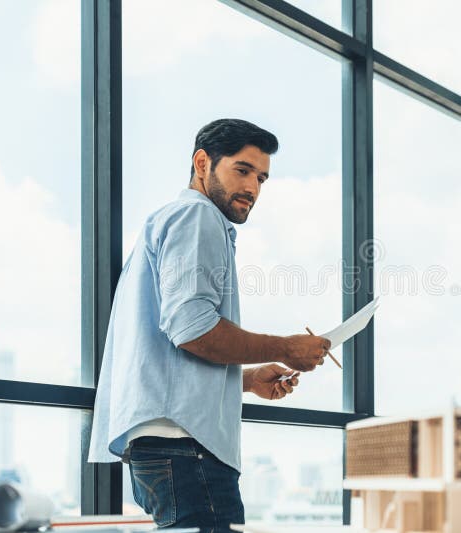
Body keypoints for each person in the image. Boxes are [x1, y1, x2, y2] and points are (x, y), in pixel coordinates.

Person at [88, 118, 331, 529]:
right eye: (242, 170)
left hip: (163, 447)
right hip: (186, 450)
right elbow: (193, 329)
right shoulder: (196, 217)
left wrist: (248, 379)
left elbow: (166, 353)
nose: (253, 188)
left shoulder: (167, 221)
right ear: (202, 163)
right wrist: (286, 348)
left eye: (262, 178)